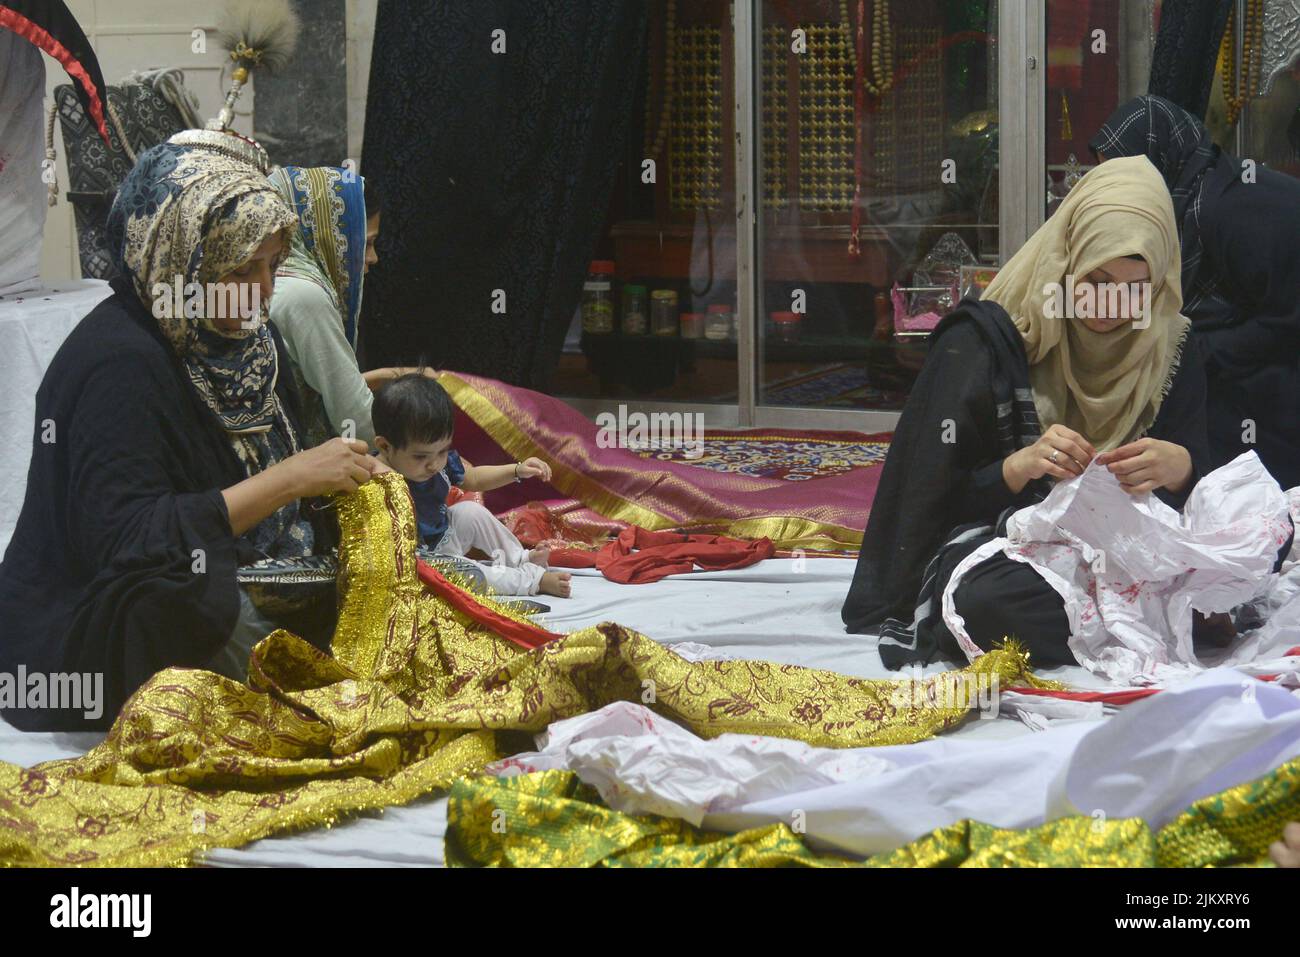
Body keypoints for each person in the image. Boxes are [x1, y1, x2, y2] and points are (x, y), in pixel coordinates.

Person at [0, 133, 386, 731]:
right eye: (240, 268)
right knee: (191, 601)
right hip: (90, 616)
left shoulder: (246, 338)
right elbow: (127, 540)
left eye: (272, 266)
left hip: (232, 566)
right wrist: (288, 480)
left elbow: (288, 466)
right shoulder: (119, 364)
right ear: (180, 260)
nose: (261, 292)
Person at [842, 156, 1212, 669]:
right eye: (1096, 279)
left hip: (1134, 556)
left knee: (1254, 551)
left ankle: (1141, 613)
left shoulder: (1173, 346)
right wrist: (1018, 468)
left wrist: (1182, 468)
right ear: (1067, 260)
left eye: (1135, 288)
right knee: (984, 606)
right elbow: (930, 503)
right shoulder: (989, 343)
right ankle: (1156, 618)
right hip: (1016, 552)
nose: (1110, 305)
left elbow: (1206, 493)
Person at [1090, 94, 1300, 489]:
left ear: (1158, 161)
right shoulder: (1182, 206)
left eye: (1120, 177)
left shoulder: (1233, 210)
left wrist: (1189, 349)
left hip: (1276, 397)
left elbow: (1286, 320)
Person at [266, 166, 432, 449]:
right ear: (332, 238)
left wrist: (381, 377)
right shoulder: (305, 296)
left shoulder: (278, 272)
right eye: (364, 244)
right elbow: (356, 419)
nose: (373, 258)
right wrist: (433, 456)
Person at [372, 373, 573, 598]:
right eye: (421, 457)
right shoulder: (373, 475)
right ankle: (534, 581)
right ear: (385, 446)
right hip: (417, 562)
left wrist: (517, 470)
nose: (434, 464)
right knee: (469, 572)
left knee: (469, 511)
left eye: (442, 451)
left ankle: (520, 558)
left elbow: (474, 478)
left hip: (444, 536)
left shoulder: (438, 460)